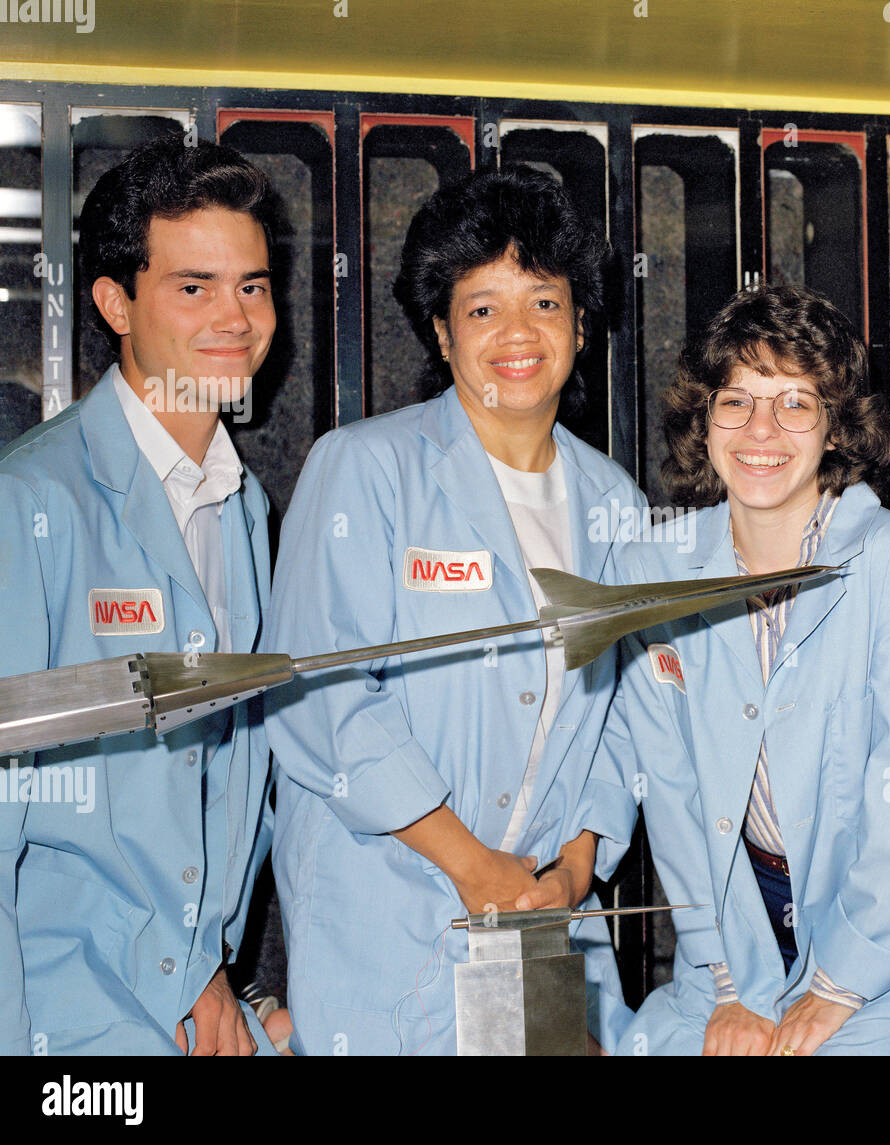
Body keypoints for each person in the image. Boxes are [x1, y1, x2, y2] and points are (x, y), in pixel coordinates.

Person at [262, 167, 646, 1055]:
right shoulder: (364, 469)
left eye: (544, 303)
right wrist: (472, 865)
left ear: (581, 325)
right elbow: (321, 697)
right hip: (391, 916)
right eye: (482, 309)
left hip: (548, 924)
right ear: (441, 333)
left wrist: (578, 863)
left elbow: (626, 711)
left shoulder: (614, 499)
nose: (517, 333)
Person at [606, 284, 890, 1056]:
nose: (762, 430)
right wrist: (728, 985)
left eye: (795, 402)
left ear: (836, 426)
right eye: (736, 401)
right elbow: (675, 800)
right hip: (732, 921)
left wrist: (836, 987)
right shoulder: (651, 571)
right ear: (704, 418)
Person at [0, 137, 279, 1055]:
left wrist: (216, 976)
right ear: (114, 301)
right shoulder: (32, 500)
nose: (233, 317)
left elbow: (232, 772)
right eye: (192, 287)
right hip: (58, 1012)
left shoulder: (246, 507)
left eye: (253, 285)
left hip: (192, 1002)